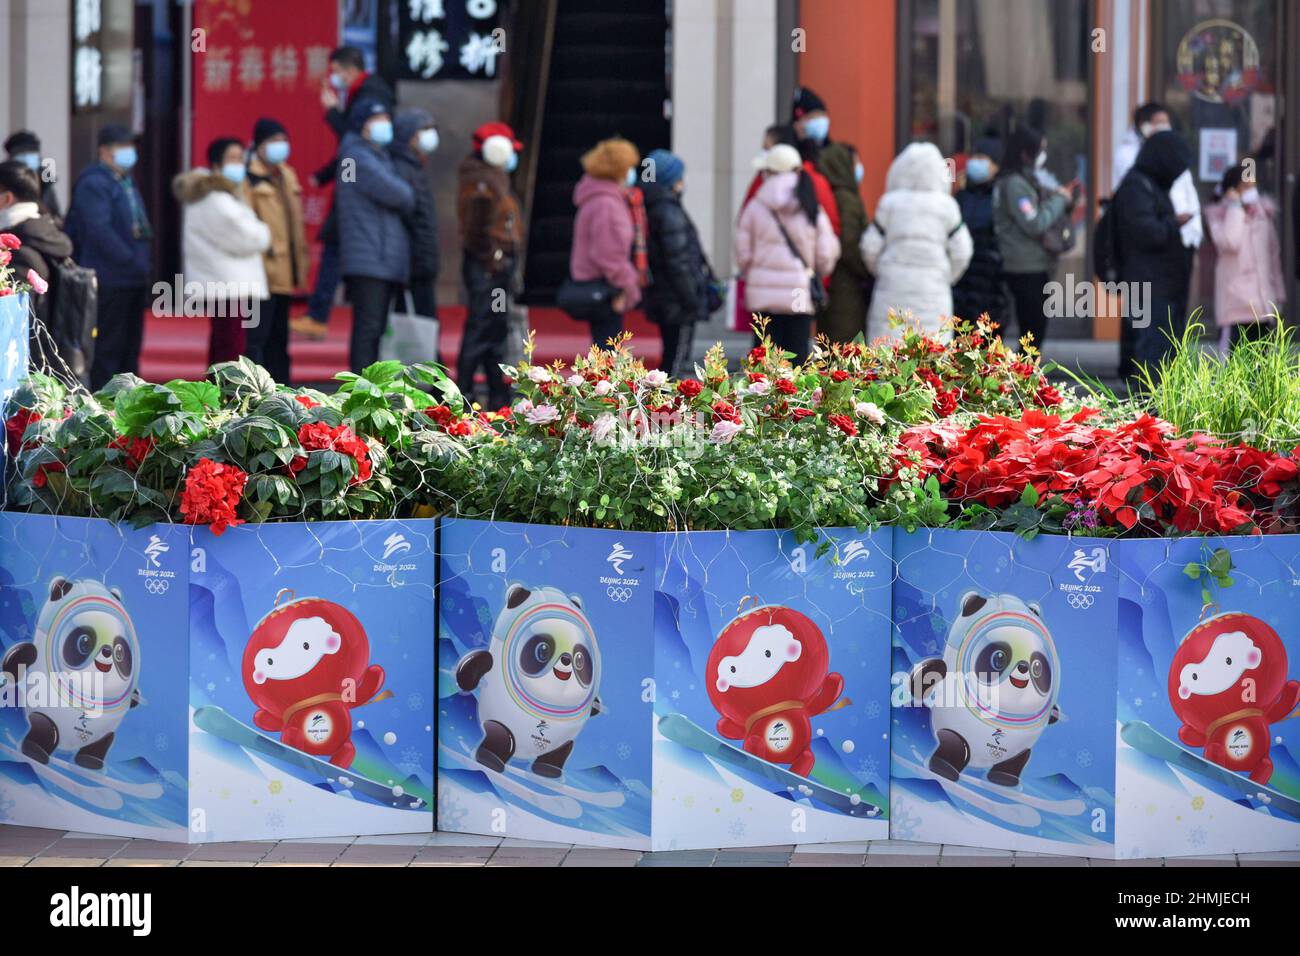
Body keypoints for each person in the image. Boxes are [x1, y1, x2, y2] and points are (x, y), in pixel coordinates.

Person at [296, 46, 397, 341]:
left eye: (337, 71)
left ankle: (318, 314)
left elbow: (352, 141)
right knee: (335, 244)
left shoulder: (370, 93)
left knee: (335, 243)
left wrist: (332, 113)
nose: (335, 77)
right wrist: (324, 175)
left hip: (359, 187)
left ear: (349, 69)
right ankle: (318, 313)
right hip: (355, 182)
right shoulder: (366, 91)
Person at [64, 124, 153, 390]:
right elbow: (99, 230)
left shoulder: (123, 180)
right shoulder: (94, 182)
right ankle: (107, 400)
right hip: (110, 276)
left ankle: (129, 396)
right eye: (122, 146)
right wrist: (129, 257)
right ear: (104, 151)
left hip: (131, 277)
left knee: (130, 345)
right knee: (110, 346)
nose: (130, 152)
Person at [734, 143, 840, 363]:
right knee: (798, 356)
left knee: (763, 359)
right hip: (798, 293)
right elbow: (826, 253)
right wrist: (818, 270)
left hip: (762, 294)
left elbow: (743, 253)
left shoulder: (756, 206)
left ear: (769, 172)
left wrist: (753, 273)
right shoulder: (809, 204)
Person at [172, 137, 271, 367]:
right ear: (216, 164)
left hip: (224, 281)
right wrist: (263, 232)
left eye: (241, 158)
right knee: (231, 349)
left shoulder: (219, 196)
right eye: (232, 158)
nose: (239, 164)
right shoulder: (215, 199)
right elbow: (248, 237)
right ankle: (227, 396)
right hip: (226, 283)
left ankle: (220, 392)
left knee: (225, 344)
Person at [861, 142, 972, 341]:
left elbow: (869, 247)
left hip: (892, 290)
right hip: (933, 292)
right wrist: (946, 275)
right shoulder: (947, 206)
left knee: (888, 357)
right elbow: (962, 251)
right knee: (931, 357)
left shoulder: (890, 203)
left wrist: (883, 270)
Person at [336, 101, 415, 373]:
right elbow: (401, 195)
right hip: (369, 257)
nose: (385, 124)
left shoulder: (374, 155)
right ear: (362, 125)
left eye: (386, 117)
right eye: (377, 118)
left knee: (375, 328)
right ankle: (360, 388)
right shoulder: (356, 157)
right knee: (369, 329)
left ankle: (370, 387)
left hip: (377, 257)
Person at [1112, 129, 1195, 379]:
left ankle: (1158, 409)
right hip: (1148, 287)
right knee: (1153, 355)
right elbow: (1147, 233)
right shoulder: (1136, 187)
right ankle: (1148, 411)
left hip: (1163, 286)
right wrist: (1174, 223)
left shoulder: (1153, 185)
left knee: (1167, 351)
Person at [456, 122, 523, 408]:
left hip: (491, 270)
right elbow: (476, 230)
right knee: (482, 327)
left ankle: (496, 392)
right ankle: (464, 392)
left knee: (493, 329)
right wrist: (492, 258)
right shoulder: (483, 185)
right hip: (488, 271)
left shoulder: (489, 179)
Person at [992, 125, 1076, 348]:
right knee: (1032, 330)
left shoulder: (1024, 180)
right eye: (1040, 150)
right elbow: (1034, 223)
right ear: (1025, 153)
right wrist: (1059, 200)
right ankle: (1023, 377)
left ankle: (1023, 376)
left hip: (1031, 264)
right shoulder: (1015, 185)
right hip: (1024, 266)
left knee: (1033, 328)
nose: (1043, 156)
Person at [244, 117, 309, 382]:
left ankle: (282, 392)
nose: (280, 146)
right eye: (273, 141)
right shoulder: (249, 179)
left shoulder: (286, 174)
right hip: (260, 271)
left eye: (283, 140)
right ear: (259, 145)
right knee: (257, 337)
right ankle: (253, 392)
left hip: (284, 269)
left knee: (279, 338)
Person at [641, 148, 711, 377]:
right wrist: (692, 298)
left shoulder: (651, 206)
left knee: (670, 355)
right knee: (675, 361)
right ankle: (667, 409)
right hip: (677, 299)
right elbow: (678, 261)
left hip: (665, 296)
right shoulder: (668, 211)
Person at [0, 160, 74, 370]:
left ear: (6, 199)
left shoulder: (20, 250)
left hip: (29, 367)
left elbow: (15, 320)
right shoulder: (44, 231)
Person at [570, 137, 642, 348]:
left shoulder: (597, 197)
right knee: (608, 352)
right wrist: (627, 285)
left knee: (604, 350)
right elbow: (608, 253)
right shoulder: (607, 203)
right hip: (607, 286)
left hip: (601, 282)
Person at [1205, 162, 1284, 351]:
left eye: (1253, 186)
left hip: (1263, 305)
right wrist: (1234, 207)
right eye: (1246, 186)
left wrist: (1279, 295)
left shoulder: (1264, 215)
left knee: (1260, 365)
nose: (1251, 191)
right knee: (1235, 366)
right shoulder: (1219, 216)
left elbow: (1274, 257)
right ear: (1232, 189)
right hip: (1236, 305)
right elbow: (1230, 242)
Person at [1113, 102, 1203, 256]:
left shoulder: (1173, 155)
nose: (1164, 127)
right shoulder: (1129, 156)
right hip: (1153, 235)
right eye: (1159, 123)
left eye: (1166, 122)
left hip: (1180, 235)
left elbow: (1188, 193)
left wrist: (1194, 228)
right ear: (1144, 125)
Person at [390, 109, 441, 328]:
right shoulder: (403, 169)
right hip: (414, 263)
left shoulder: (414, 166)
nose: (431, 135)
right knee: (421, 321)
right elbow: (415, 220)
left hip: (419, 260)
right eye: (425, 130)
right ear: (410, 136)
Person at [816, 141, 869, 343]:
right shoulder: (845, 198)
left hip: (834, 284)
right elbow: (848, 243)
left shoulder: (827, 194)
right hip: (846, 286)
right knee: (844, 347)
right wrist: (866, 269)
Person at [952, 134, 1005, 325]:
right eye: (974, 158)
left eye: (982, 159)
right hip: (961, 281)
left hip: (990, 281)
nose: (976, 163)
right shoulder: (961, 195)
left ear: (996, 166)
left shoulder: (1000, 197)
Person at [4, 130, 61, 221]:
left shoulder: (45, 181)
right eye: (21, 153)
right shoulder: (4, 179)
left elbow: (55, 214)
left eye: (31, 152)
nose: (27, 157)